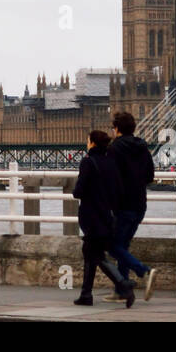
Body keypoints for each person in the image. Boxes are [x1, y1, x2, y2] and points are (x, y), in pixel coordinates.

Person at [71, 129, 135, 307]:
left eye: (87, 140)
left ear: (92, 143)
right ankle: (86, 294)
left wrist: (79, 190)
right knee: (92, 254)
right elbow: (119, 191)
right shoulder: (111, 163)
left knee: (96, 256)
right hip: (108, 217)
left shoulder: (88, 162)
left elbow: (79, 191)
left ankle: (124, 284)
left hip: (92, 217)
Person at [106, 111, 158, 301]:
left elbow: (111, 178)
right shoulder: (143, 147)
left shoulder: (114, 149)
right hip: (140, 204)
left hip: (123, 205)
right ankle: (122, 289)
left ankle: (143, 271)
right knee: (123, 246)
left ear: (117, 129)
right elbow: (150, 176)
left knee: (112, 246)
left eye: (113, 128)